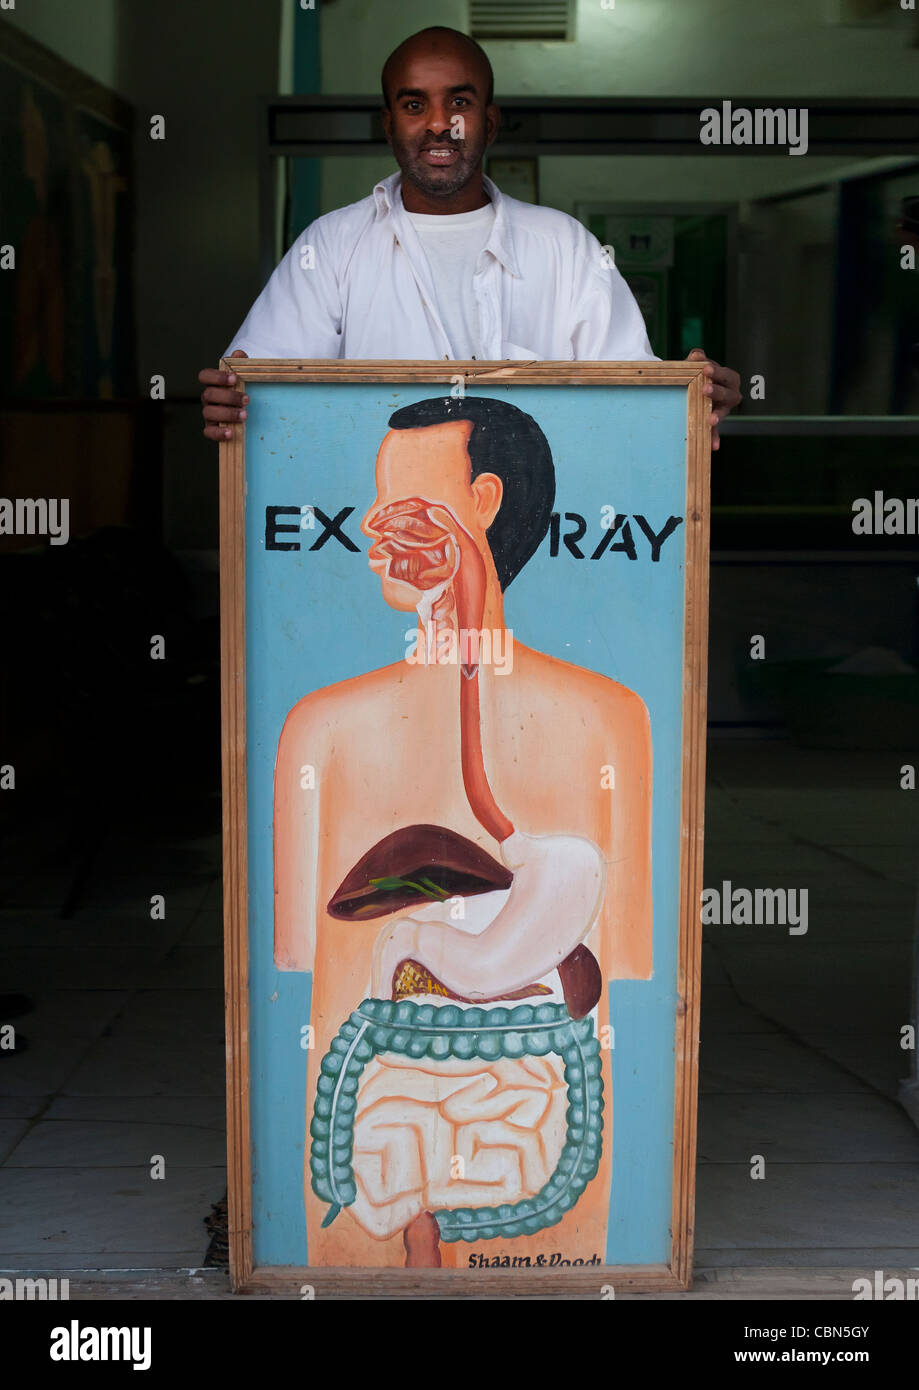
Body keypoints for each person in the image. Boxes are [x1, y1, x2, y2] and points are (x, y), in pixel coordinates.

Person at [273, 397, 652, 1267]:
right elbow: (296, 958)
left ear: (482, 501)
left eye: (396, 495)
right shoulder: (316, 731)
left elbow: (619, 965)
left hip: (542, 1129)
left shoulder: (611, 723)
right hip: (370, 1135)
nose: (370, 523)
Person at [199, 26, 742, 443]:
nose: (440, 124)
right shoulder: (332, 246)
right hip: (373, 551)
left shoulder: (565, 246)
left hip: (544, 551)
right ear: (388, 124)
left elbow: (633, 401)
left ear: (490, 120)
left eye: (459, 102)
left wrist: (695, 398)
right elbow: (259, 389)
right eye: (414, 105)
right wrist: (233, 402)